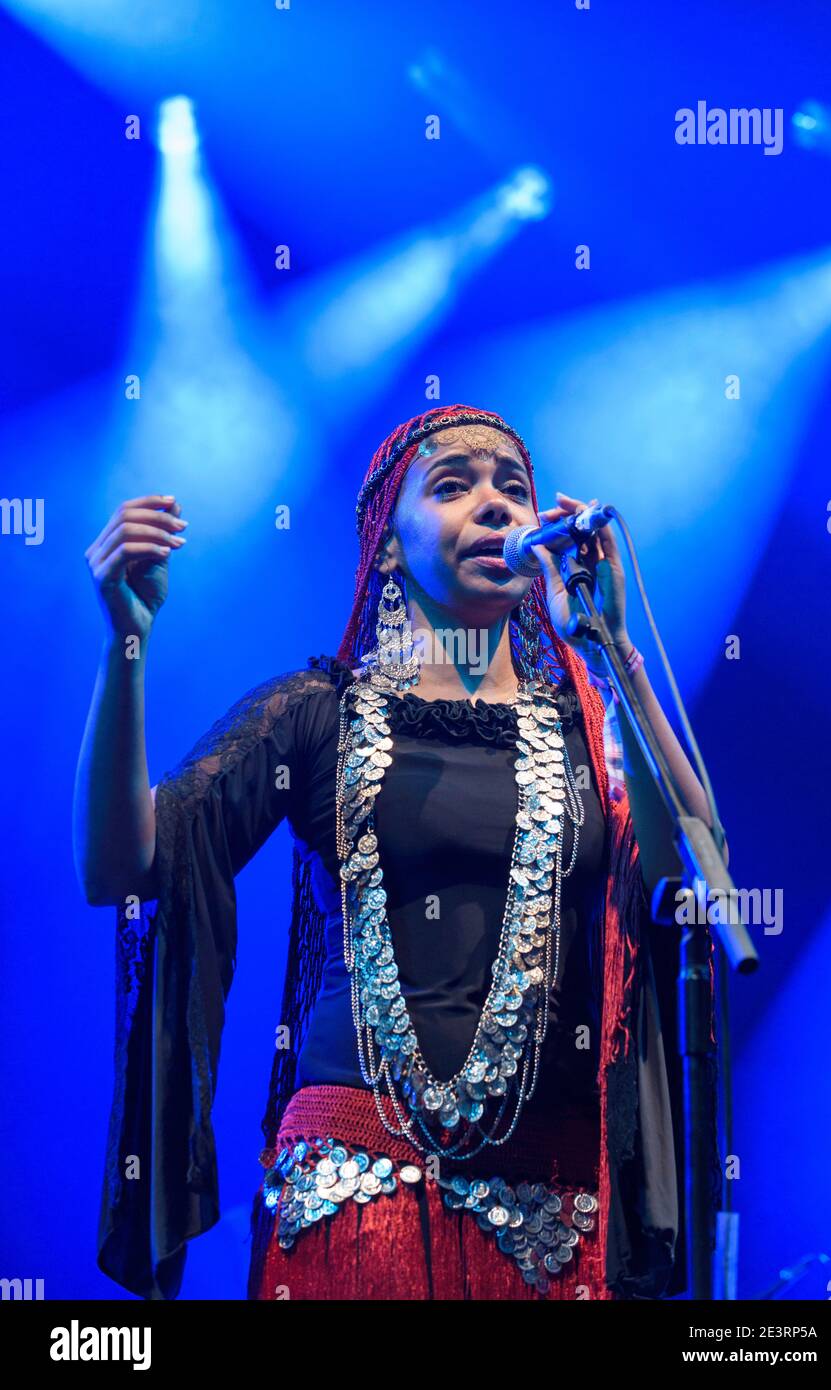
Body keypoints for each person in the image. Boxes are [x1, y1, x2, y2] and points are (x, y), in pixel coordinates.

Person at [74, 403, 723, 1301]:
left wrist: (615, 652)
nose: (494, 505)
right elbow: (122, 866)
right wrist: (127, 644)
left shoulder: (591, 728)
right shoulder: (316, 713)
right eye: (453, 487)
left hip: (552, 1212)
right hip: (352, 1194)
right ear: (386, 543)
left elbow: (692, 878)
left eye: (513, 490)